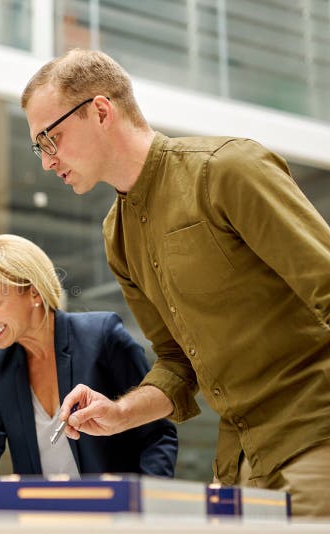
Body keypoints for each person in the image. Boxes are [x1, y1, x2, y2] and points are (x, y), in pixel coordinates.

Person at [21, 49, 330, 516]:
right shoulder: (117, 236)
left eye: (52, 138)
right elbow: (177, 363)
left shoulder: (227, 169)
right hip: (239, 464)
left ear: (101, 110)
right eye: (40, 146)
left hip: (315, 439)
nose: (48, 161)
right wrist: (119, 413)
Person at [0, 234, 177, 477]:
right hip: (42, 511)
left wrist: (141, 504)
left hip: (114, 508)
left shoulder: (102, 336)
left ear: (34, 293)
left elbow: (157, 435)